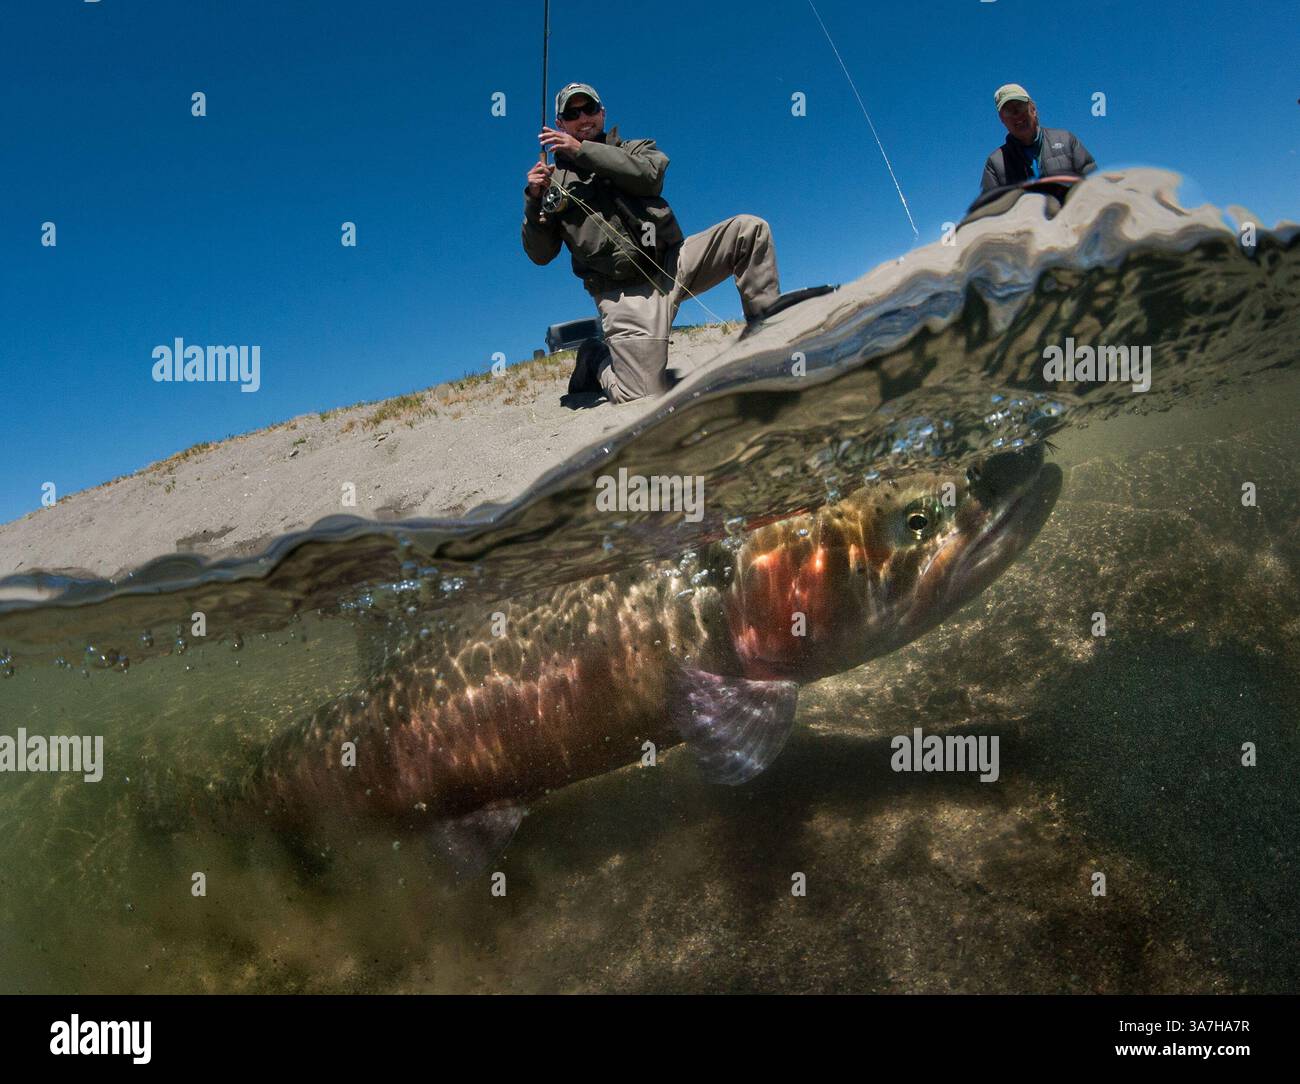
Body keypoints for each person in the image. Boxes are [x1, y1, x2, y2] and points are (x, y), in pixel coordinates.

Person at [522, 83, 834, 403]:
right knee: (639, 394)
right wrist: (534, 201)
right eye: (572, 114)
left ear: (602, 113)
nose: (583, 118)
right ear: (560, 124)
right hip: (622, 293)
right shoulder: (552, 183)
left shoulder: (635, 147)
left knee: (749, 230)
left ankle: (768, 330)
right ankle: (594, 358)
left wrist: (581, 151)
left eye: (589, 109)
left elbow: (649, 175)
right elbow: (541, 254)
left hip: (673, 263)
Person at [979, 84, 1096, 195]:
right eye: (1008, 111)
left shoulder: (1066, 140)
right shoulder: (994, 164)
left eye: (1019, 106)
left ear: (1033, 109)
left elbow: (1094, 182)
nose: (1015, 114)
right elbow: (989, 210)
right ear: (1002, 119)